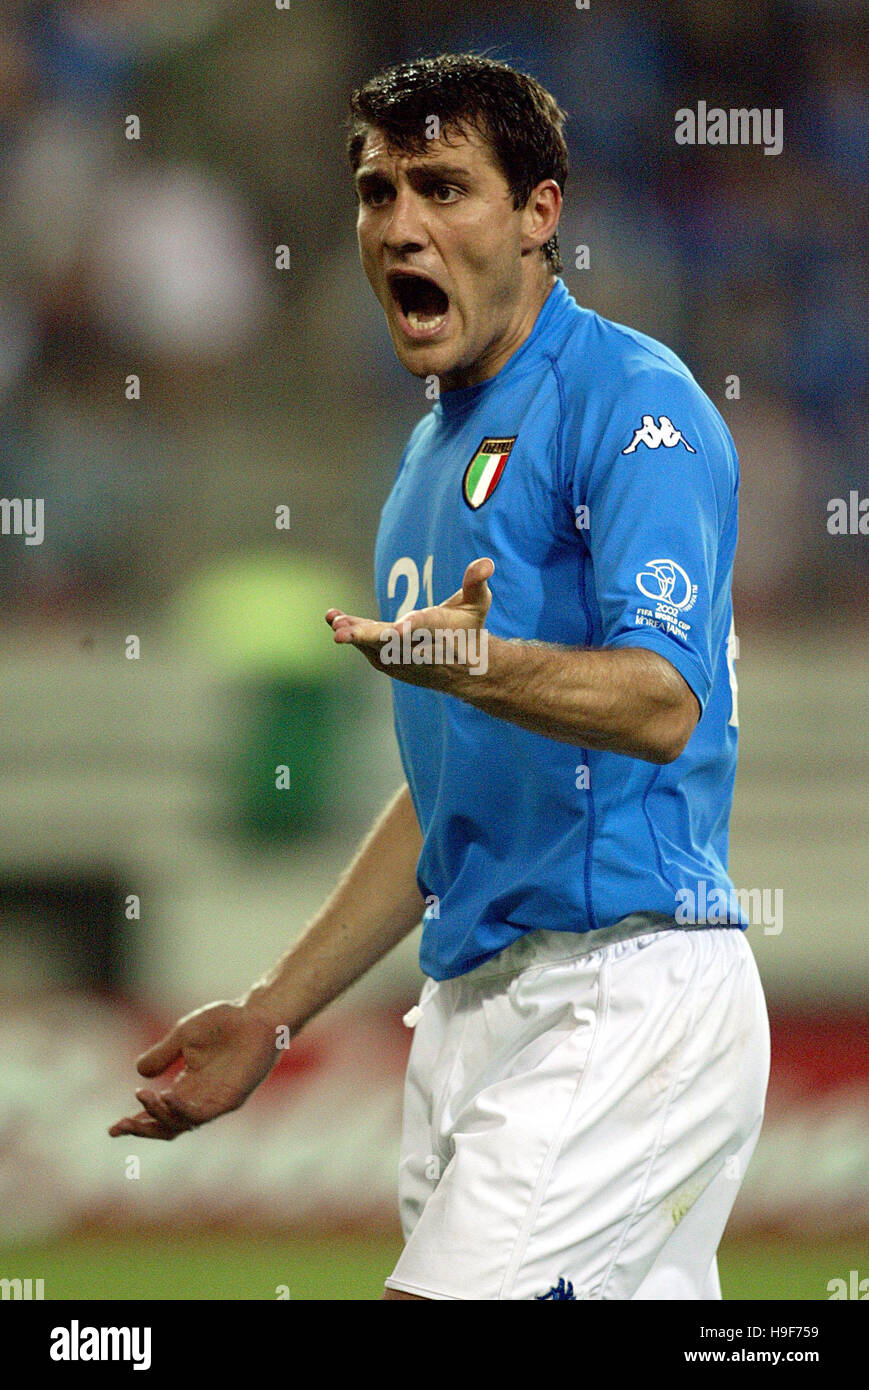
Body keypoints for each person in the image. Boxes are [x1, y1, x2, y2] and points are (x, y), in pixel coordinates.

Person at [111, 53, 770, 1302]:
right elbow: (445, 787)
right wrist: (273, 1012)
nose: (399, 224)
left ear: (539, 214)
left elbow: (661, 700)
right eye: (376, 192)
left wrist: (488, 664)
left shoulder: (636, 408)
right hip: (471, 1011)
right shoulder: (427, 460)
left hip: (619, 987)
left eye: (442, 186)